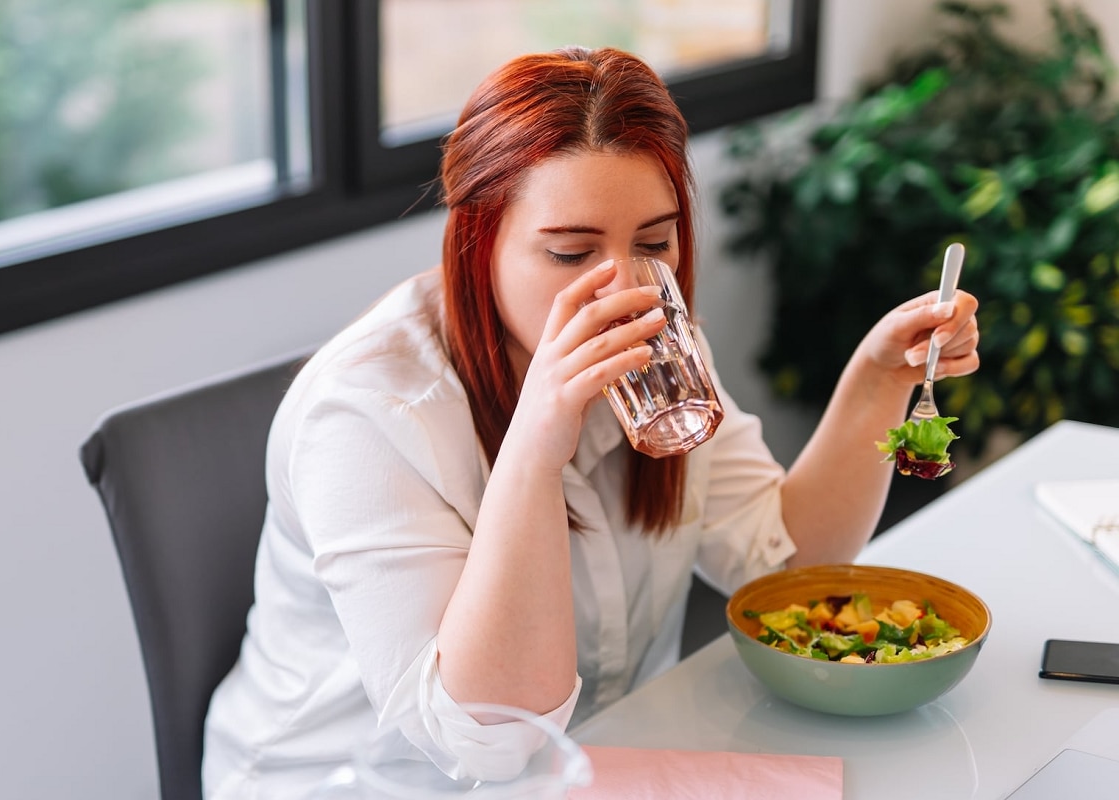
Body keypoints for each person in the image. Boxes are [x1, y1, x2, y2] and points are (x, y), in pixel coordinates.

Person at [202, 46, 980, 797]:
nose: (623, 291)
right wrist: (537, 447)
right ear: (478, 246)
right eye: (572, 254)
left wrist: (882, 377)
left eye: (654, 243)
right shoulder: (368, 414)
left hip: (592, 768)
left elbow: (784, 568)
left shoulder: (663, 349)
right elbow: (492, 740)